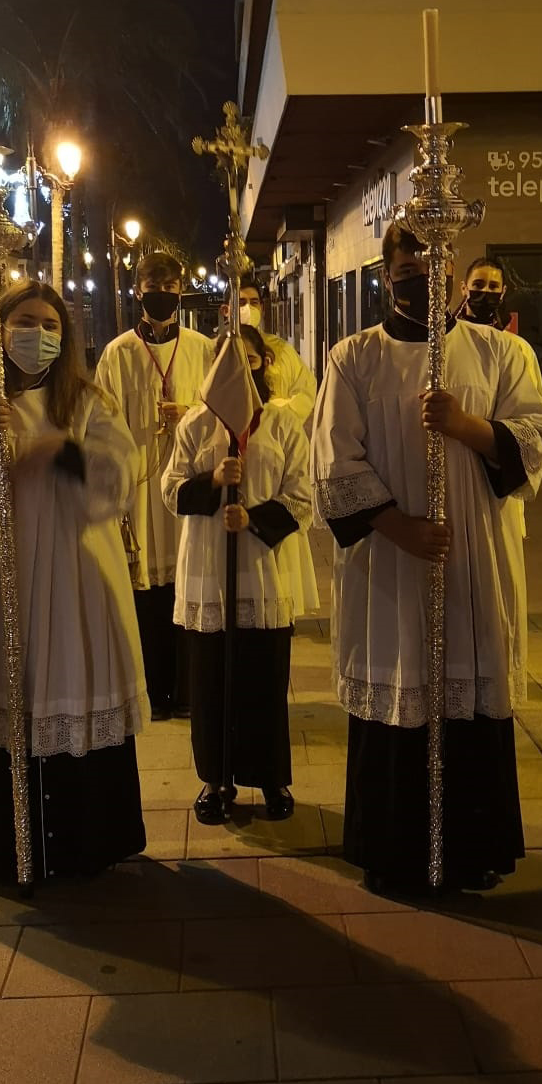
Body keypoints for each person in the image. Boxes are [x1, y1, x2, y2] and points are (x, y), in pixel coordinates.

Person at [310, 221, 542, 896]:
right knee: (402, 690)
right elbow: (333, 462)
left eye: (433, 266)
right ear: (387, 275)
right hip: (391, 566)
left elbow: (535, 433)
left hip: (474, 555)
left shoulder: (501, 351)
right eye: (406, 268)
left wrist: (466, 425)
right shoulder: (353, 359)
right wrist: (397, 527)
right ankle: (392, 853)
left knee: (467, 691)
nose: (420, 278)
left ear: (452, 271)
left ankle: (473, 849)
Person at [0, 283, 148, 890]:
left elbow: (121, 473)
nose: (37, 334)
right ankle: (0, 848)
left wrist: (61, 453)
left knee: (69, 685)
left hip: (73, 573)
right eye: (24, 320)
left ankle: (84, 844)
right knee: (0, 694)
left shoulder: (87, 400)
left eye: (49, 324)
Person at [162, 329, 318, 824]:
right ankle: (216, 778)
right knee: (212, 682)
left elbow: (303, 494)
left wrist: (253, 518)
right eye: (228, 362)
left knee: (264, 681)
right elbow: (170, 490)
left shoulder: (282, 424)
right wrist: (212, 483)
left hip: (262, 571)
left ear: (263, 364)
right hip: (211, 571)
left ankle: (271, 778)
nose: (239, 372)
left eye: (248, 361)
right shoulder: (195, 424)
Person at [96, 252, 215, 720]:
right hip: (140, 485)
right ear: (137, 288)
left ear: (180, 288)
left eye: (168, 283)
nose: (159, 291)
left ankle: (187, 690)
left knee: (187, 581)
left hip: (186, 482)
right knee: (146, 590)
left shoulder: (204, 348)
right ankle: (152, 689)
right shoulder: (119, 352)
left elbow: (217, 416)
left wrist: (187, 415)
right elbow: (102, 422)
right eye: (151, 282)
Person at [459, 255, 542, 544]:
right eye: (478, 285)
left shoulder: (517, 350)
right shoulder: (446, 345)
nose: (485, 293)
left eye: (493, 286)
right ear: (463, 288)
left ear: (504, 292)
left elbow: (531, 418)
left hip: (499, 467)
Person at [221, 275, 318, 425]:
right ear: (226, 310)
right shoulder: (214, 351)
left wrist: (275, 416)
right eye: (241, 303)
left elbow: (305, 391)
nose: (248, 308)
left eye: (254, 303)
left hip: (277, 436)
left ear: (262, 308)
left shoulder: (282, 350)